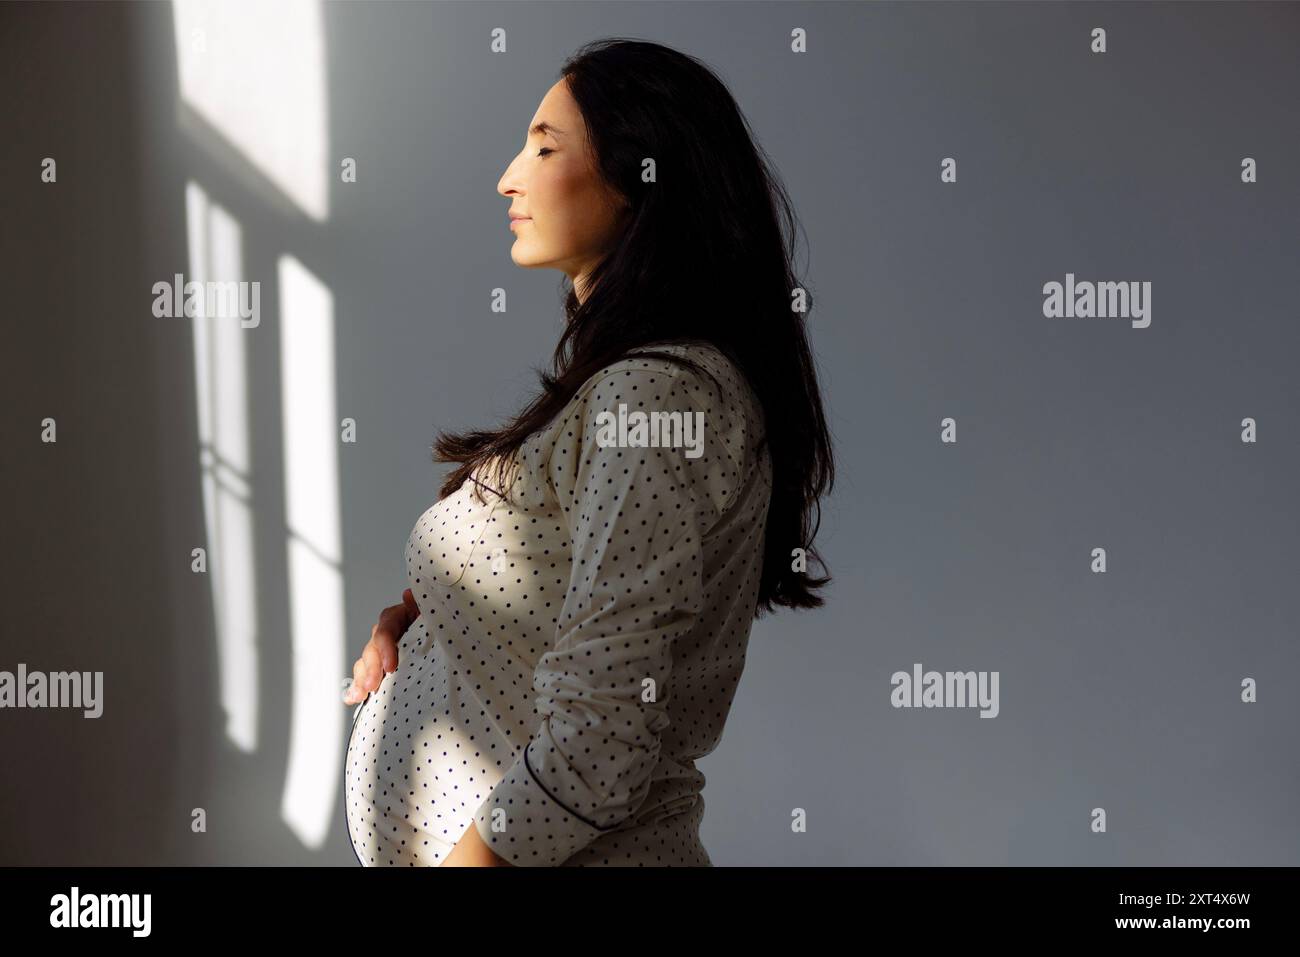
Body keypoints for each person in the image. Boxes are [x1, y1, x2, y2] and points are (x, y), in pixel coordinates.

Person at [342, 37, 834, 867]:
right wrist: (426, 622)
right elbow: (563, 611)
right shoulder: (625, 391)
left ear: (641, 179)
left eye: (543, 146)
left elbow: (600, 735)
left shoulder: (659, 400)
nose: (509, 177)